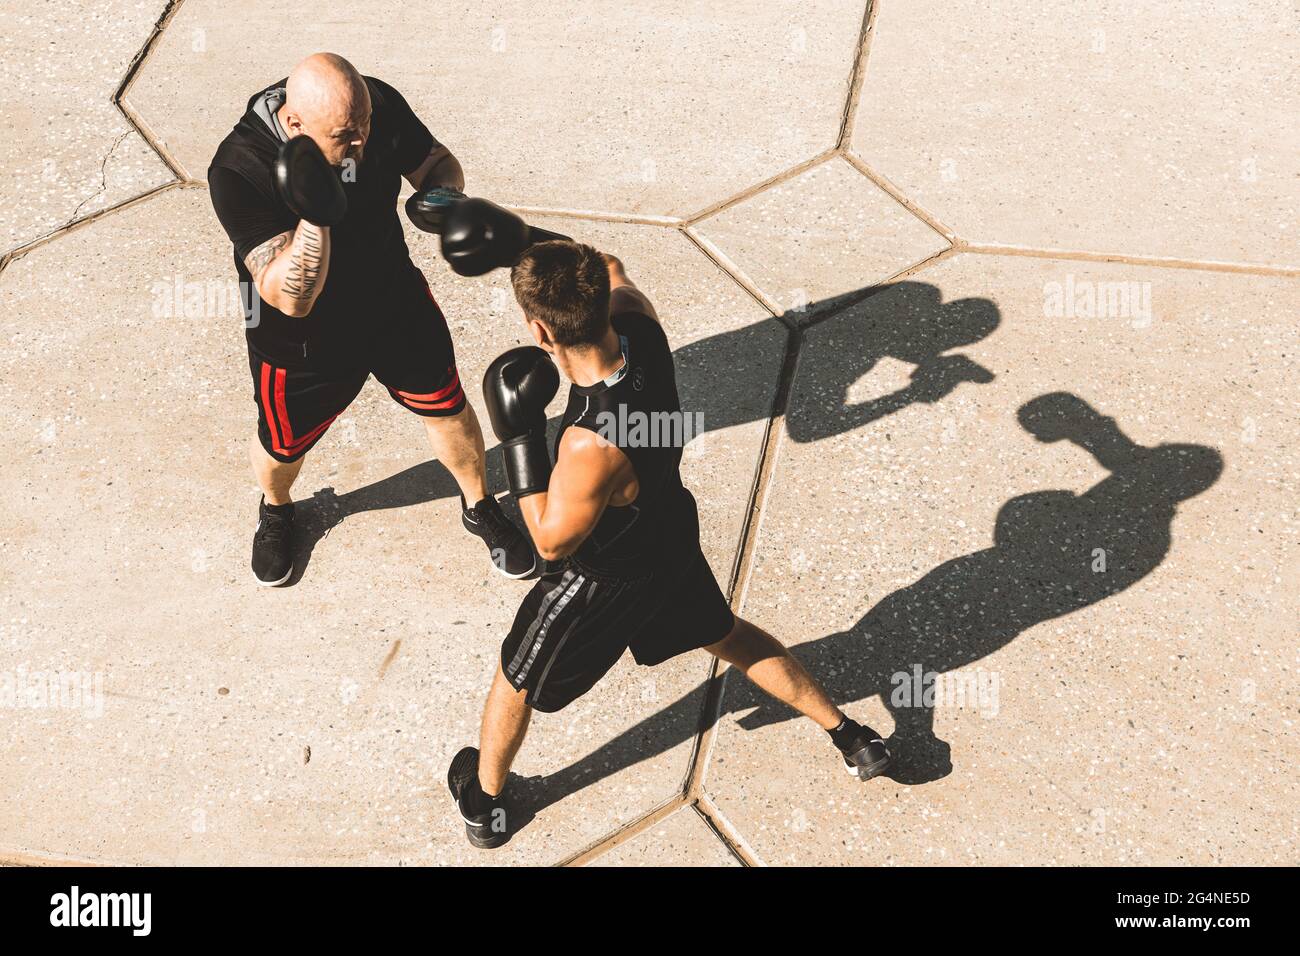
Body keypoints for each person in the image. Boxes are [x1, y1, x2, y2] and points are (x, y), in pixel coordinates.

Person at [448, 241, 891, 848]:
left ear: (537, 329)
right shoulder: (642, 326)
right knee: (726, 633)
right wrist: (526, 239)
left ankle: (484, 801)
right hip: (669, 534)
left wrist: (519, 440)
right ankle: (851, 735)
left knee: (515, 676)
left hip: (600, 579)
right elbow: (610, 267)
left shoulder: (589, 444)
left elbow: (549, 542)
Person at [207, 52, 534, 586]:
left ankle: (479, 505)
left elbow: (434, 160)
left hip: (392, 300)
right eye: (345, 137)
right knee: (281, 445)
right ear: (294, 125)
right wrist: (317, 215)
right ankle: (277, 509)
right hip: (302, 340)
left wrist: (444, 196)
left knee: (449, 409)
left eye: (364, 130)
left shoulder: (372, 103)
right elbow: (289, 297)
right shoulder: (239, 169)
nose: (361, 145)